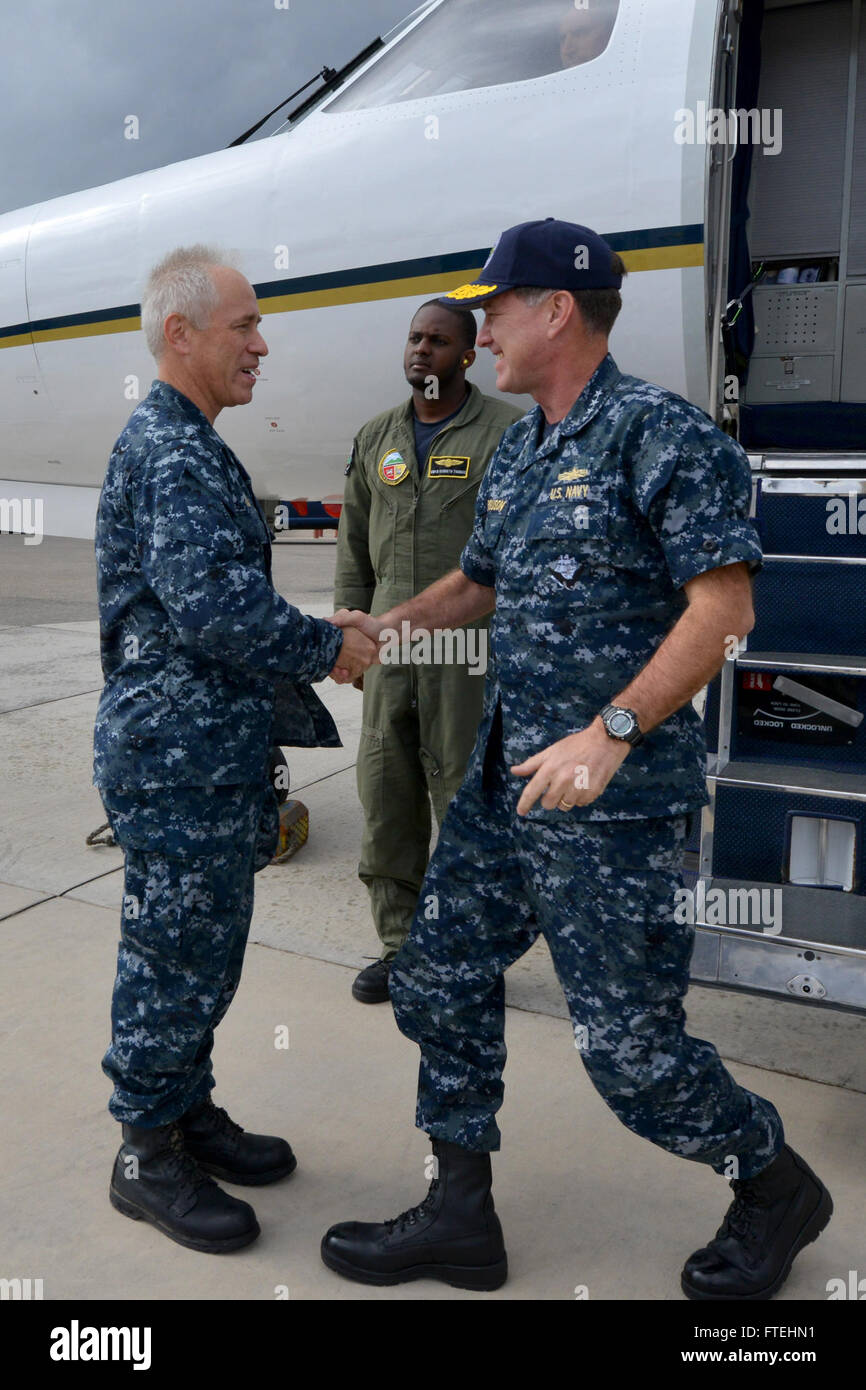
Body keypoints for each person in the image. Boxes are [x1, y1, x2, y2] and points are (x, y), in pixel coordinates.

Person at [321, 219, 832, 1298]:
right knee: (437, 976)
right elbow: (478, 581)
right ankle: (459, 1212)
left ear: (556, 310)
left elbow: (722, 610)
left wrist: (610, 732)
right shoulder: (525, 444)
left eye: (496, 306)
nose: (479, 326)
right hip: (509, 783)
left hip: (612, 800)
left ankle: (774, 1185)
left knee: (628, 1056)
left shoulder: (659, 435)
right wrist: (388, 628)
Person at [95, 245, 376, 1254]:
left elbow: (216, 600)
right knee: (171, 953)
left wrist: (316, 627)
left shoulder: (191, 443)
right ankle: (144, 1150)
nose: (261, 345)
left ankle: (185, 1111)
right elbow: (215, 612)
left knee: (201, 951)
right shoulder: (172, 450)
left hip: (201, 752)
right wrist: (330, 645)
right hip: (175, 758)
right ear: (181, 335)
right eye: (243, 326)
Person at [334, 299, 522, 1003]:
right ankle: (400, 949)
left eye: (438, 341)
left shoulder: (506, 433)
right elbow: (354, 548)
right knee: (387, 799)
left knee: (466, 804)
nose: (421, 351)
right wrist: (352, 638)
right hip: (387, 654)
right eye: (414, 338)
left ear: (467, 355)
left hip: (469, 656)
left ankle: (473, 958)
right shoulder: (375, 436)